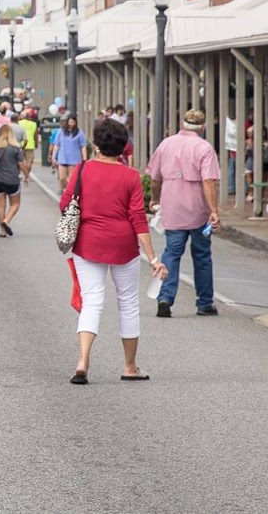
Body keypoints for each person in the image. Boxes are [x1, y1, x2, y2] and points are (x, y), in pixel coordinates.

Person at [60, 117, 165, 384]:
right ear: (123, 148)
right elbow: (138, 219)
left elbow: (65, 204)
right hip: (123, 246)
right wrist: (152, 258)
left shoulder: (83, 170)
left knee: (92, 301)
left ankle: (83, 360)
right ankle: (129, 366)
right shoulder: (130, 176)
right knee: (128, 303)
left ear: (96, 145)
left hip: (88, 243)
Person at [146, 109, 222, 318]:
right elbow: (208, 181)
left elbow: (155, 179)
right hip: (198, 209)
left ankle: (165, 297)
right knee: (202, 255)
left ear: (181, 123)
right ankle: (204, 303)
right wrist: (214, 210)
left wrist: (155, 199)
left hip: (172, 207)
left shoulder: (166, 144)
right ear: (203, 127)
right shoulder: (204, 147)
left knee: (171, 253)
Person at [0, 123, 25, 237]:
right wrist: (27, 175)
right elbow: (21, 164)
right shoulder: (15, 148)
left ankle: (2, 231)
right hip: (12, 179)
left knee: (0, 205)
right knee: (15, 204)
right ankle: (6, 220)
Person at [51, 115, 87, 192]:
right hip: (63, 158)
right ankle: (67, 189)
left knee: (71, 179)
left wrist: (84, 158)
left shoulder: (79, 133)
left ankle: (69, 192)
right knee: (62, 178)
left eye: (73, 122)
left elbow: (83, 146)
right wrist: (53, 156)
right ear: (67, 122)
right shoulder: (61, 132)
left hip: (74, 159)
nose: (71, 124)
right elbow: (56, 145)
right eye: (70, 122)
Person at [17, 108, 39, 186]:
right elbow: (35, 136)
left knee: (19, 160)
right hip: (30, 144)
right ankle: (27, 174)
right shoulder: (34, 124)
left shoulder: (19, 123)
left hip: (20, 144)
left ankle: (19, 173)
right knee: (29, 161)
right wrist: (36, 144)